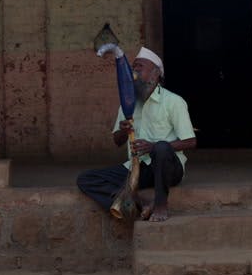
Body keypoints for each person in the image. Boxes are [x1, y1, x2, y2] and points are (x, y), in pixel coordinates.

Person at [77, 47, 196, 222]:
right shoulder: (128, 103)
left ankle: (161, 205)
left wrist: (153, 147)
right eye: (133, 67)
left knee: (162, 148)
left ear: (155, 74)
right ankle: (140, 203)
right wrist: (123, 130)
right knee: (86, 179)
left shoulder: (173, 102)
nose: (134, 70)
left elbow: (190, 141)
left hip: (168, 168)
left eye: (140, 66)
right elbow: (117, 141)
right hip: (137, 168)